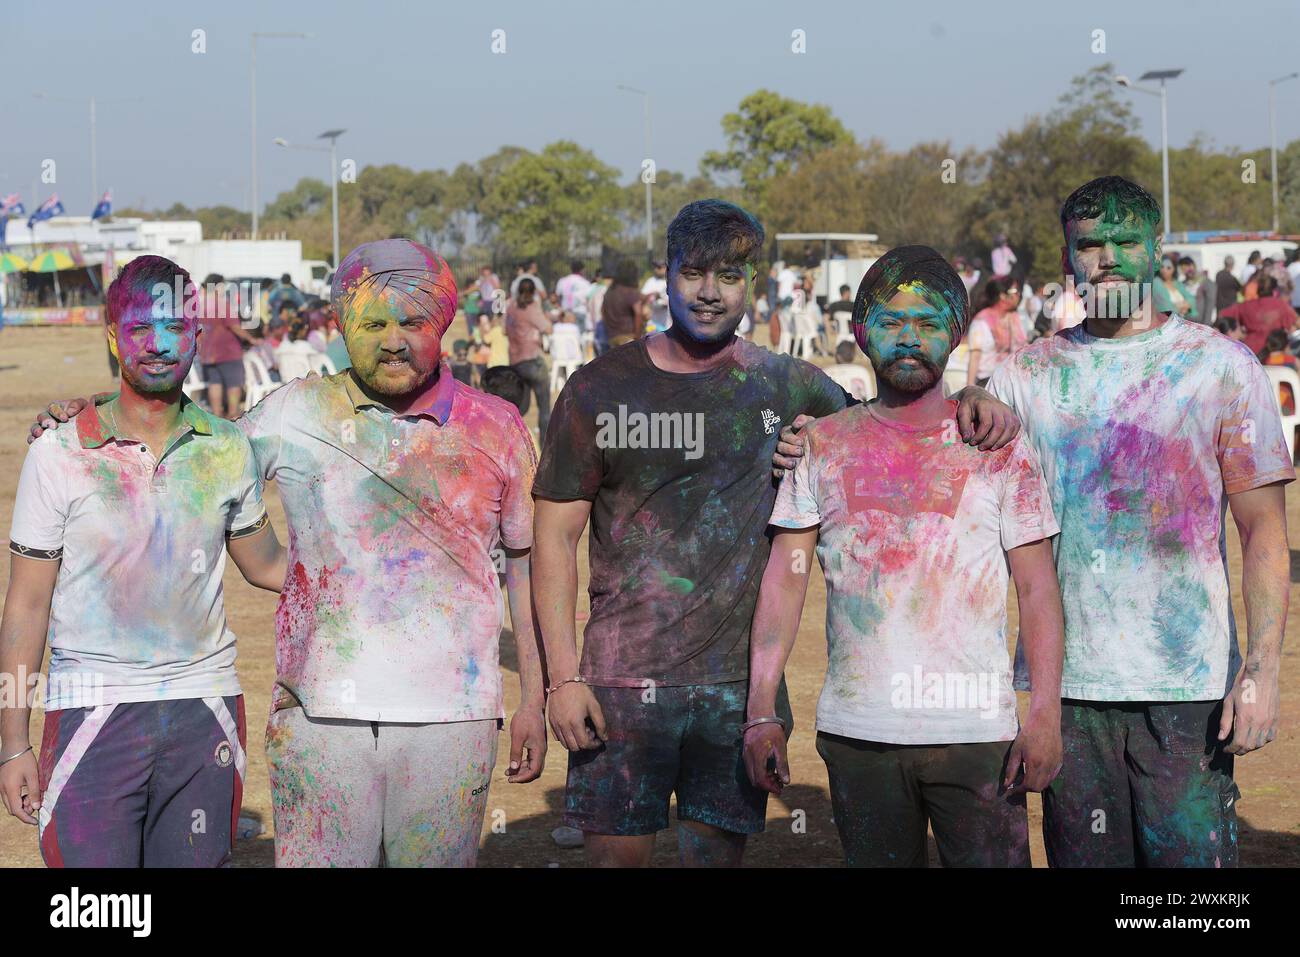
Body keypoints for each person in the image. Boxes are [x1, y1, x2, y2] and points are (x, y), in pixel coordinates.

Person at [28, 240, 549, 868]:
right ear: (341, 326)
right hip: (318, 723)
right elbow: (190, 445)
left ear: (442, 323)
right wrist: (91, 414)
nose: (393, 340)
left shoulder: (496, 428)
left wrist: (536, 697)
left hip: (454, 722)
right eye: (372, 323)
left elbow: (526, 569)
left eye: (412, 322)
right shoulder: (293, 412)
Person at [532, 199, 1018, 869]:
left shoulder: (791, 385)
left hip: (736, 691)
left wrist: (974, 398)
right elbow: (553, 540)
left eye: (729, 275)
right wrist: (562, 679)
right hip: (618, 685)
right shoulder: (597, 390)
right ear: (664, 276)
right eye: (693, 272)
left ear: (753, 284)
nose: (709, 292)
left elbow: (891, 418)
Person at [984, 177, 1293, 867]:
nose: (1109, 259)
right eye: (1090, 244)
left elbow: (1265, 534)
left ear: (1158, 248)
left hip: (1186, 690)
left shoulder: (1219, 367)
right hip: (1066, 689)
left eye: (1126, 241)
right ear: (1068, 257)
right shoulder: (1023, 379)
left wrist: (1262, 672)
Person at [746, 246, 1063, 867]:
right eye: (891, 322)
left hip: (976, 736)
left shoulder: (996, 446)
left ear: (956, 332)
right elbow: (785, 584)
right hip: (858, 733)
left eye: (928, 322)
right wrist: (761, 711)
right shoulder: (823, 445)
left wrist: (1044, 715)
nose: (910, 337)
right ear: (861, 333)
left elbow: (1037, 590)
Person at [0, 256, 286, 866]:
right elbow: (25, 607)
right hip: (89, 712)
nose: (158, 345)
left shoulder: (227, 447)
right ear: (111, 336)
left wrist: (373, 568)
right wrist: (12, 744)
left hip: (205, 708)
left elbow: (266, 566)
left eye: (174, 328)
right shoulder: (59, 449)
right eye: (138, 329)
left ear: (197, 337)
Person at [197, 273, 256, 419]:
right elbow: (235, 327)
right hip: (227, 352)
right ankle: (232, 415)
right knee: (233, 384)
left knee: (214, 384)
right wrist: (251, 339)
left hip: (208, 353)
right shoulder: (223, 304)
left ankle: (216, 416)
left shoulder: (200, 305)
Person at [506, 277, 554, 439]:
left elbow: (505, 330)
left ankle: (511, 441)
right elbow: (548, 328)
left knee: (520, 408)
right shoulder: (532, 307)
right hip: (534, 362)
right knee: (544, 408)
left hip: (515, 362)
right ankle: (546, 446)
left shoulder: (511, 306)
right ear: (533, 292)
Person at [1220, 271, 1300, 355]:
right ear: (1274, 290)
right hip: (1273, 352)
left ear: (1258, 289)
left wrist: (1239, 332)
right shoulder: (1281, 305)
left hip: (1249, 352)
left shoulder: (1246, 306)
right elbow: (1297, 322)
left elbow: (1222, 314)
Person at [966, 276, 1026, 387]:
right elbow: (975, 356)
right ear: (1002, 296)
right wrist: (970, 386)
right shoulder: (981, 321)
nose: (1019, 295)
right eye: (1015, 291)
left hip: (1012, 380)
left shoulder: (1015, 318)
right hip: (987, 383)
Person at [601, 259, 648, 349]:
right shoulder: (630, 292)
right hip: (628, 339)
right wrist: (637, 337)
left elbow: (603, 311)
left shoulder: (610, 291)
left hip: (611, 338)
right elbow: (638, 314)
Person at [273, 316, 329, 383]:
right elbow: (322, 354)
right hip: (305, 384)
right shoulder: (305, 347)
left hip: (287, 385)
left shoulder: (281, 347)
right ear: (301, 331)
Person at [1152, 256, 1198, 322]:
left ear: (1174, 269)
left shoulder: (1177, 283)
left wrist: (1185, 306)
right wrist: (1181, 308)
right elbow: (1165, 306)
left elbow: (1191, 299)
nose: (1164, 270)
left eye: (1168, 268)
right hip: (1166, 322)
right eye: (1162, 267)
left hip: (1183, 321)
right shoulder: (1156, 283)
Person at [555, 260, 593, 332]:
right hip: (580, 313)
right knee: (579, 339)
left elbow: (558, 296)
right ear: (582, 270)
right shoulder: (585, 283)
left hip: (566, 314)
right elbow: (588, 300)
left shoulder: (562, 281)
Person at [1180, 257, 1214, 326]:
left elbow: (1210, 304)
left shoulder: (1205, 282)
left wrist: (1206, 325)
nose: (1188, 271)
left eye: (1189, 267)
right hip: (1186, 323)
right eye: (1184, 269)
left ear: (1194, 266)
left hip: (1200, 324)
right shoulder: (1182, 284)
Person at [641, 259, 671, 332]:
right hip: (652, 324)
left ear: (665, 268)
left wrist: (660, 297)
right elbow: (642, 297)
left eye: (659, 267)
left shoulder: (670, 282)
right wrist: (651, 295)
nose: (656, 269)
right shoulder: (650, 281)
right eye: (655, 267)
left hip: (666, 324)